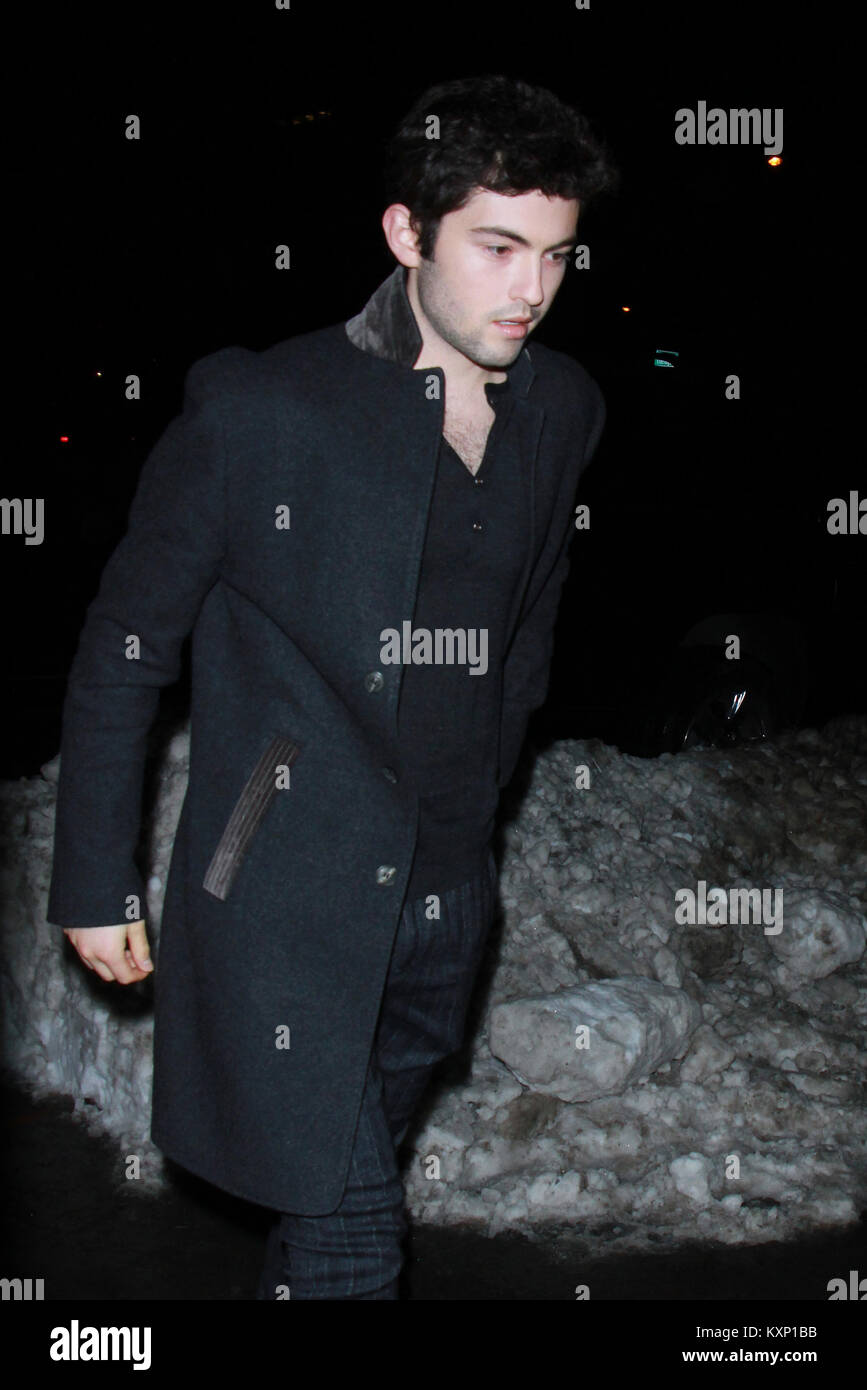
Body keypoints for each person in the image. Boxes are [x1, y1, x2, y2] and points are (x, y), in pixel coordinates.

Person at [47, 73, 617, 1299]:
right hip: (278, 894)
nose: (531, 291)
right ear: (407, 234)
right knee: (359, 1238)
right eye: (498, 247)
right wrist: (95, 876)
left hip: (450, 887)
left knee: (337, 1188)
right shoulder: (262, 411)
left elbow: (533, 613)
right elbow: (125, 646)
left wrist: (484, 785)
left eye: (558, 255)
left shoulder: (563, 407)